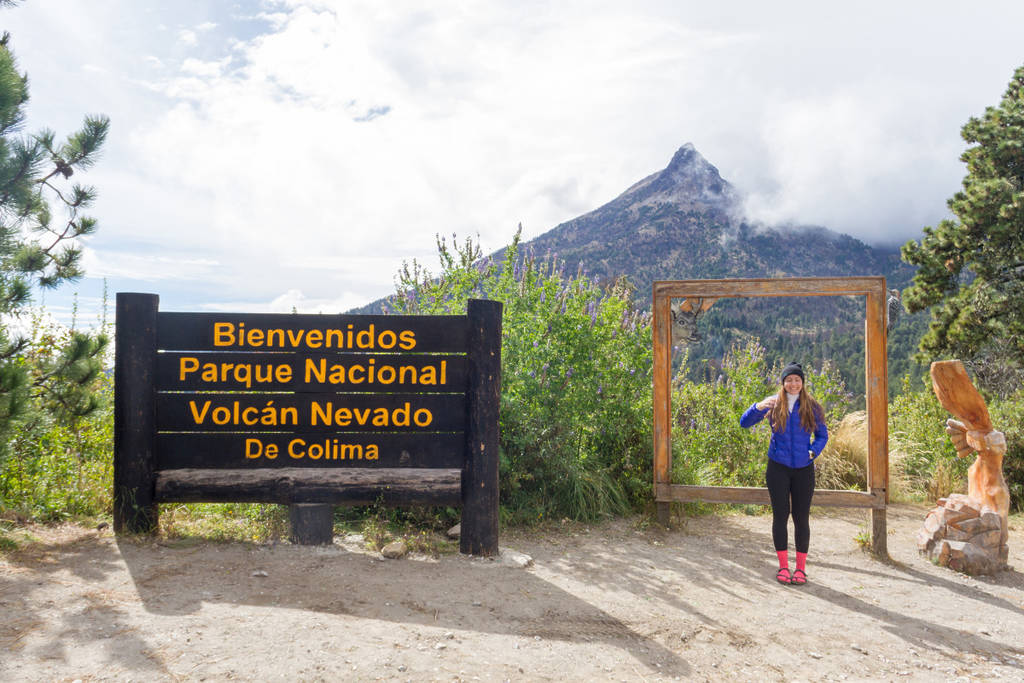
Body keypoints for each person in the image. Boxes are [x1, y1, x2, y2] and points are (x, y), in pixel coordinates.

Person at [740, 362, 828, 585]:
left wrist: (812, 452)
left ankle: (800, 569)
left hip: (803, 469)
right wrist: (758, 406)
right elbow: (744, 423)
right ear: (783, 383)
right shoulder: (773, 404)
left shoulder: (812, 406)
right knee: (780, 516)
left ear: (803, 382)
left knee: (801, 518)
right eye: (789, 380)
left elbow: (822, 436)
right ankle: (783, 567)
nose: (793, 384)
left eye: (797, 380)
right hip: (777, 467)